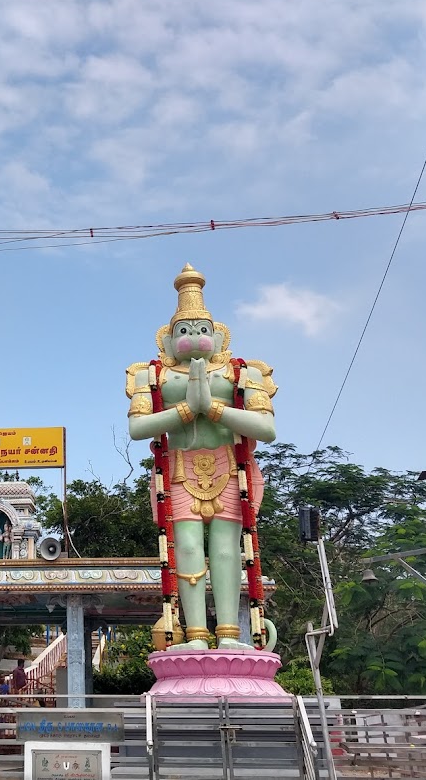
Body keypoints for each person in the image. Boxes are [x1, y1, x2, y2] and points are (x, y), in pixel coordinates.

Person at [127, 265, 277, 651]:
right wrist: (184, 410)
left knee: (227, 550)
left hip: (229, 467)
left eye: (201, 330)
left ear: (218, 335)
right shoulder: (152, 374)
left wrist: (211, 409)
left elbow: (266, 429)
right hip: (179, 467)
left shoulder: (242, 372)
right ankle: (194, 633)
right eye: (184, 331)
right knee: (188, 547)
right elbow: (138, 429)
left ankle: (229, 633)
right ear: (168, 339)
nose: (193, 336)